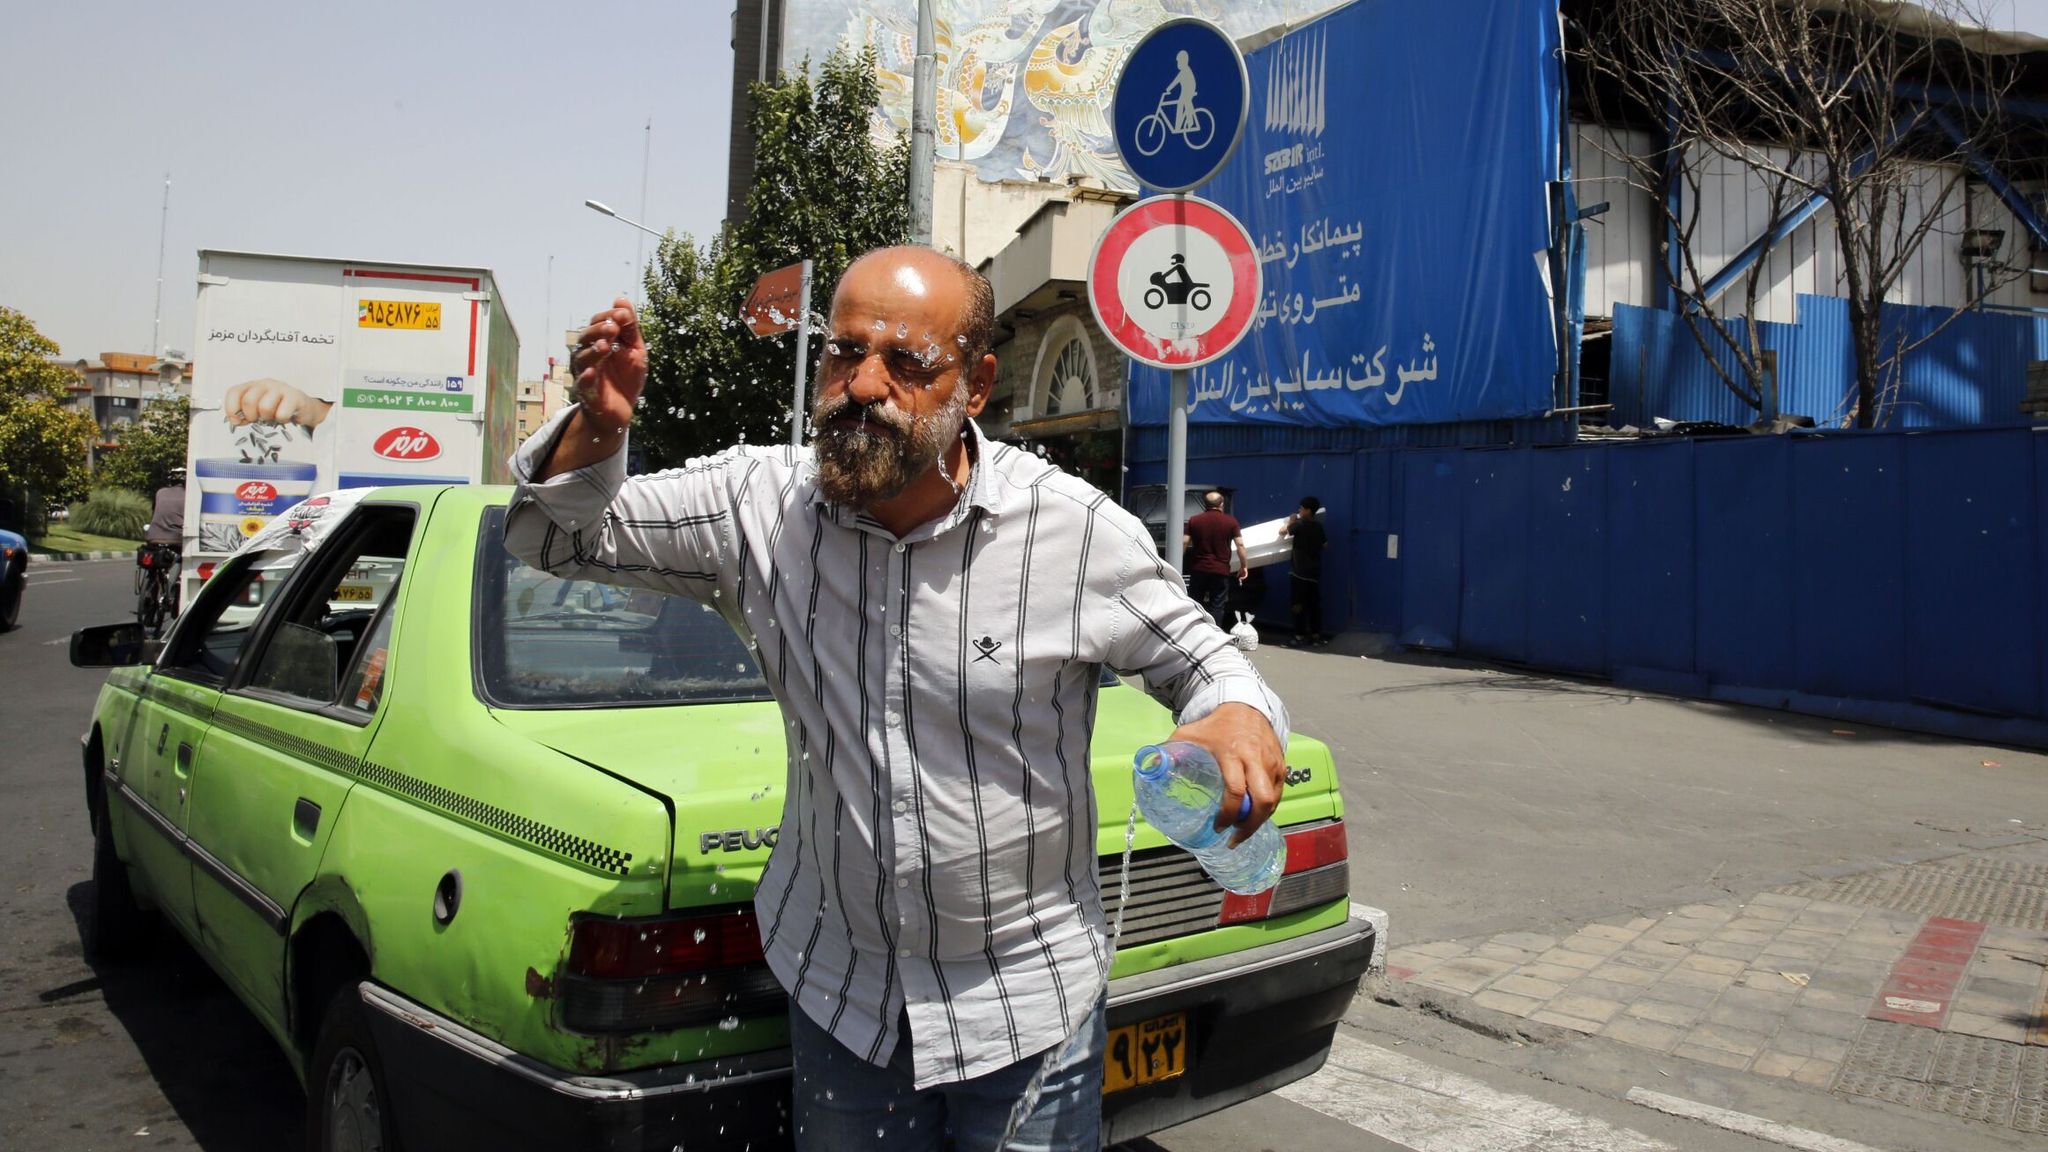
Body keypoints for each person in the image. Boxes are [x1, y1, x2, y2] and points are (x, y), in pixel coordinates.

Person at [504, 245, 1289, 1152]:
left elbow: (1210, 663)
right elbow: (553, 542)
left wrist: (1232, 713)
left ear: (978, 382)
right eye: (843, 353)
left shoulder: (1073, 534)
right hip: (843, 998)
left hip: (1030, 1003)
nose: (861, 385)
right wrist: (597, 431)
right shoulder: (758, 505)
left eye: (906, 363)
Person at [1182, 490, 1247, 633]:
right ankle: (1214, 634)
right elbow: (1240, 545)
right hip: (1221, 569)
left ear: (1205, 505)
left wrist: (1178, 563)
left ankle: (1192, 632)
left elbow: (1184, 542)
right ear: (1222, 504)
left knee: (1195, 602)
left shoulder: (1194, 520)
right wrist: (1244, 566)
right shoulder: (1231, 521)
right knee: (1217, 605)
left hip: (1199, 569)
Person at [1280, 496, 1328, 646]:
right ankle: (1315, 636)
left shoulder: (1299, 524)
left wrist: (1291, 520)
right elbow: (1325, 545)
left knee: (1297, 605)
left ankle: (1299, 636)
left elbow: (1282, 532)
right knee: (1314, 605)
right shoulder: (1318, 527)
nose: (1299, 511)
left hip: (1299, 572)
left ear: (1307, 510)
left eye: (1301, 508)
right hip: (1314, 573)